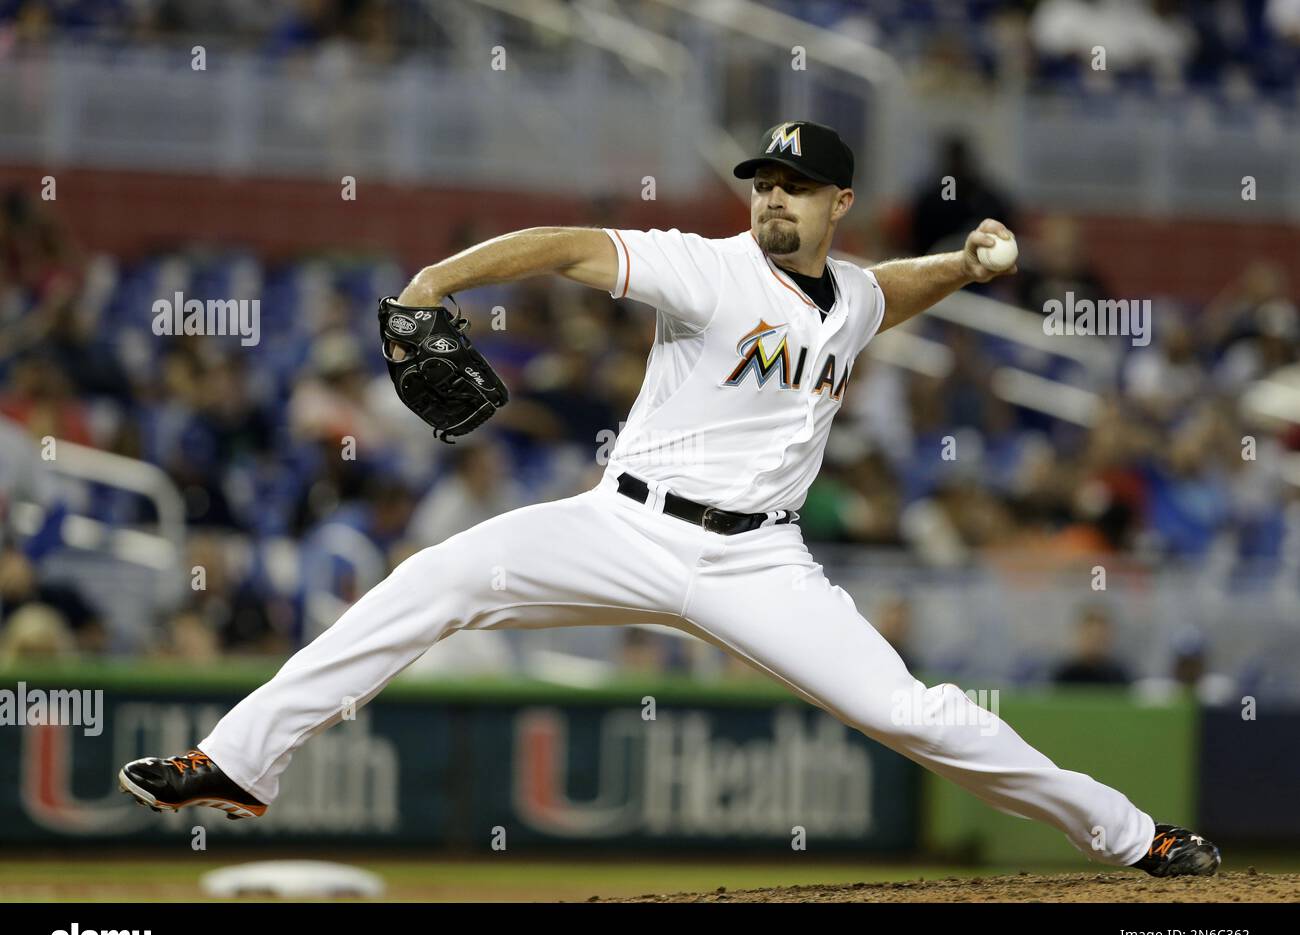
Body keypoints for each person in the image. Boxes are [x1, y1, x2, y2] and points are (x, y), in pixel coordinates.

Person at [118, 120, 1218, 878]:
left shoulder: (852, 299)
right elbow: (561, 246)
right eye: (760, 183)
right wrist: (434, 285)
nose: (771, 199)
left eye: (793, 187)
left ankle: (1134, 840)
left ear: (837, 202)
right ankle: (237, 763)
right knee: (436, 578)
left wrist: (970, 265)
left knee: (911, 714)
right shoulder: (706, 267)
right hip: (623, 525)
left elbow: (892, 291)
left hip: (761, 564)